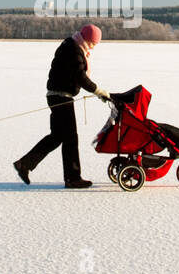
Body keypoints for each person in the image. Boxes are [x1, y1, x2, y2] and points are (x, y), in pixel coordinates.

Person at [14, 24, 111, 188]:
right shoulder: (73, 50)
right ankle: (73, 178)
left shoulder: (72, 45)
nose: (94, 47)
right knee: (70, 138)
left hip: (58, 96)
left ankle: (25, 164)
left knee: (58, 136)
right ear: (87, 39)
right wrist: (98, 91)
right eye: (94, 43)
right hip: (60, 97)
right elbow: (80, 76)